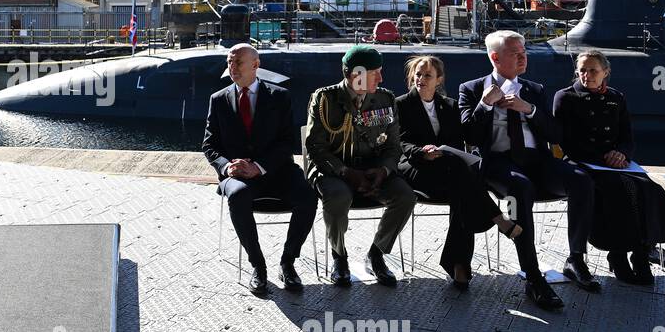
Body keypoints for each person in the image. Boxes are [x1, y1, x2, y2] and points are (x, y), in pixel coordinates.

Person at [458, 30, 596, 311]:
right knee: (521, 188)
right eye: (515, 53)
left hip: (537, 160)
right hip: (499, 161)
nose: (524, 57)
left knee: (581, 180)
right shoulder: (471, 89)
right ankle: (533, 277)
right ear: (495, 58)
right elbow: (469, 135)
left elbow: (556, 134)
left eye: (524, 51)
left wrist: (529, 110)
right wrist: (485, 104)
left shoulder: (535, 90)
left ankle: (576, 259)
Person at [397, 55, 523, 290]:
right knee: (463, 179)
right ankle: (497, 219)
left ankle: (458, 266)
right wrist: (422, 152)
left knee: (461, 189)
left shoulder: (450, 105)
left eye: (427, 75)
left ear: (439, 79)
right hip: (414, 168)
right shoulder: (401, 104)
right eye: (418, 74)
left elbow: (459, 140)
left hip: (445, 170)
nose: (421, 79)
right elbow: (400, 142)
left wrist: (483, 105)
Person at [203, 43, 317, 295]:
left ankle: (288, 262)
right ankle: (258, 265)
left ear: (255, 65)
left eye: (237, 62)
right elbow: (209, 145)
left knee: (308, 196)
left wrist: (259, 166)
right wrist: (226, 166)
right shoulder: (219, 100)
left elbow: (288, 142)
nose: (231, 67)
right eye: (229, 62)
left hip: (276, 170)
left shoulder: (279, 96)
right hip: (237, 174)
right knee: (238, 195)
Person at [552, 51, 665, 285]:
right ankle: (617, 253)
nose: (586, 75)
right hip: (583, 161)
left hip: (616, 162)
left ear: (605, 72)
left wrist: (623, 154)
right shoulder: (565, 97)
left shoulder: (616, 98)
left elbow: (627, 137)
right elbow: (566, 141)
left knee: (652, 191)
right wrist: (604, 157)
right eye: (582, 70)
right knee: (620, 191)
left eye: (593, 70)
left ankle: (641, 252)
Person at [304, 45, 415, 287]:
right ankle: (339, 256)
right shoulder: (325, 99)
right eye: (375, 72)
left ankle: (377, 254)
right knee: (337, 197)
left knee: (405, 197)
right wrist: (346, 172)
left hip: (372, 170)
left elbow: (393, 147)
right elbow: (315, 147)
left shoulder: (384, 99)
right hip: (332, 169)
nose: (381, 78)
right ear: (354, 75)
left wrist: (384, 170)